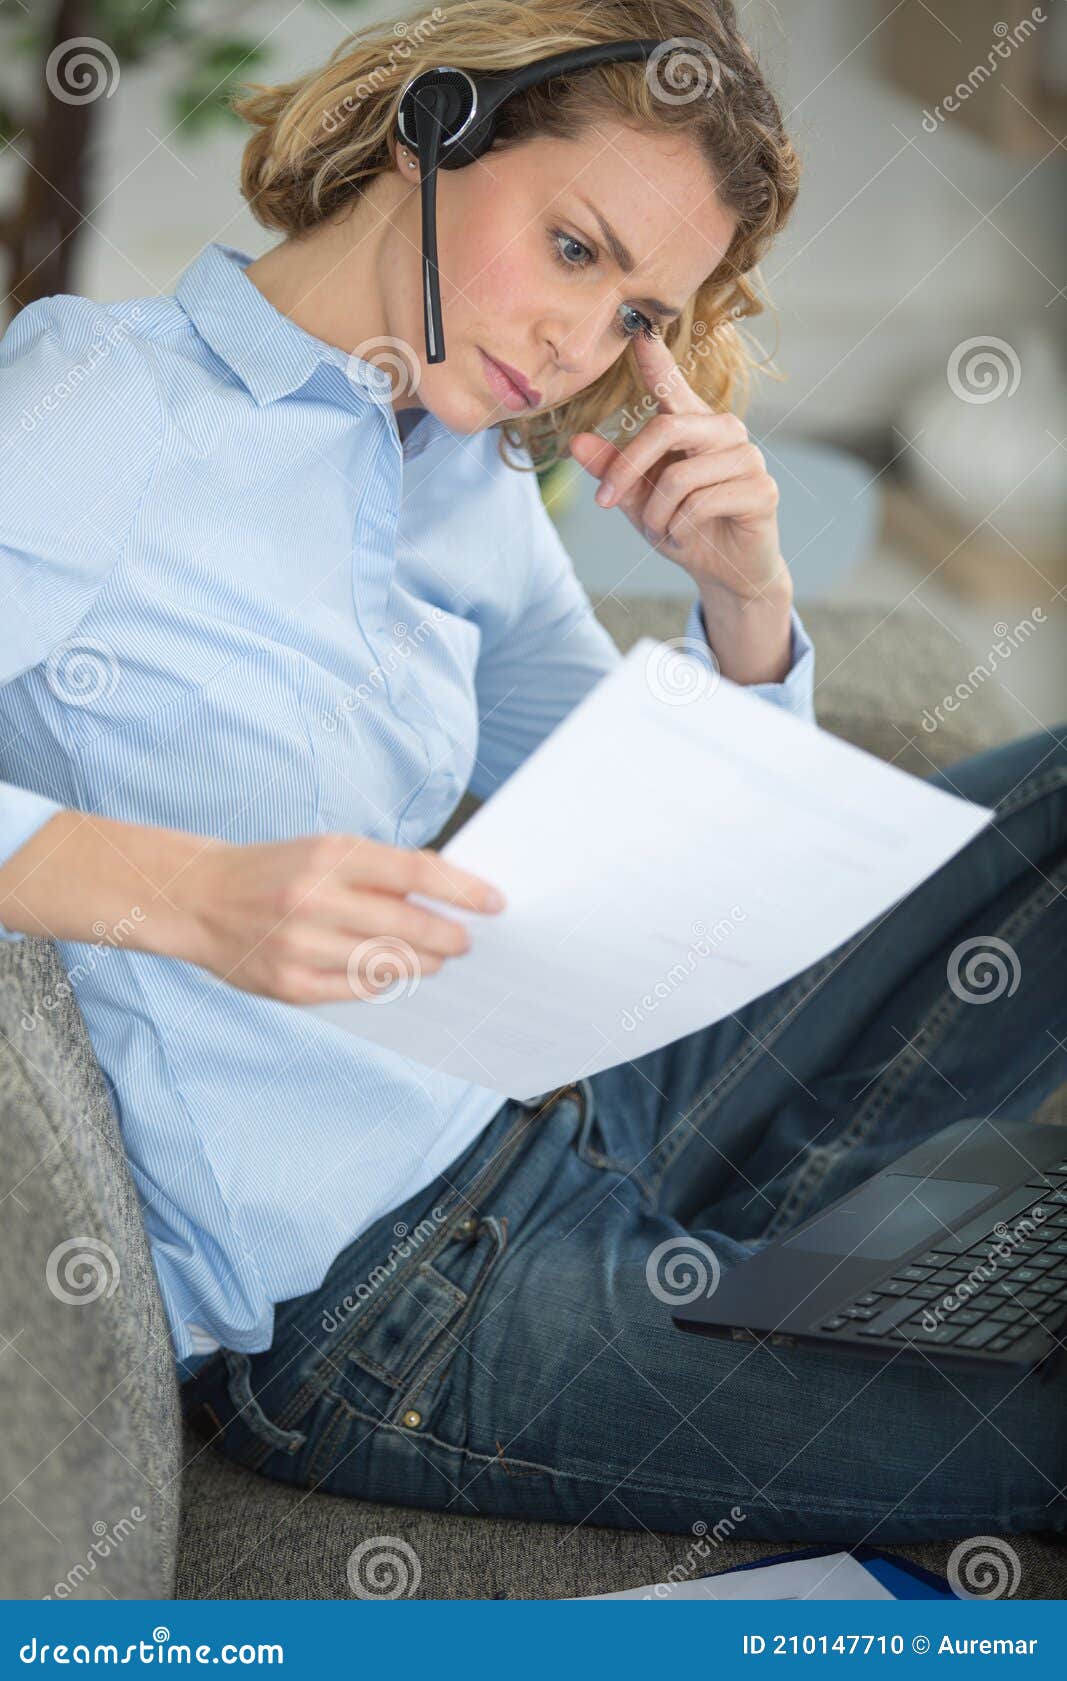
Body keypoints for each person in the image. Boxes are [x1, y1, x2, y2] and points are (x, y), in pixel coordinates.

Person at [1, 0, 1064, 1548]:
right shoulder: (104, 395)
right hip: (390, 1301)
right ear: (437, 133)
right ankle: (803, 1251)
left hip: (572, 1089)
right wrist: (197, 897)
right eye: (577, 248)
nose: (583, 344)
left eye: (640, 311)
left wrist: (746, 602)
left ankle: (803, 1239)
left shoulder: (459, 466)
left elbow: (679, 830)